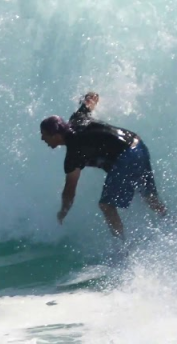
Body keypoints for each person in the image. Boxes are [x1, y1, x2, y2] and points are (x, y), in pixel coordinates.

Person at [39, 100, 167, 239]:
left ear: (56, 135)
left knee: (106, 205)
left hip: (127, 157)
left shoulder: (73, 154)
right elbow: (90, 100)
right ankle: (170, 222)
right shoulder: (78, 118)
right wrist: (88, 96)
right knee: (147, 196)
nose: (42, 138)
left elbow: (69, 191)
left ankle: (121, 248)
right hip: (138, 145)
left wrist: (62, 212)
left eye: (44, 135)